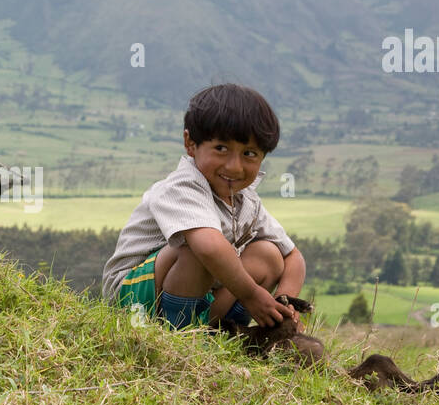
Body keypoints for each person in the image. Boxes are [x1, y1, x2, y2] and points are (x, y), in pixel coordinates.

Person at [101, 83, 306, 331]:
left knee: (268, 255)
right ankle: (177, 338)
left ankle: (221, 332)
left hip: (190, 297)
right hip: (133, 304)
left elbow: (292, 256)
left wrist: (283, 304)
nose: (234, 166)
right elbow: (209, 248)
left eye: (249, 153)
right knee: (196, 248)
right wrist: (252, 295)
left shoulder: (246, 199)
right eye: (221, 149)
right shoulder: (182, 187)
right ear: (191, 143)